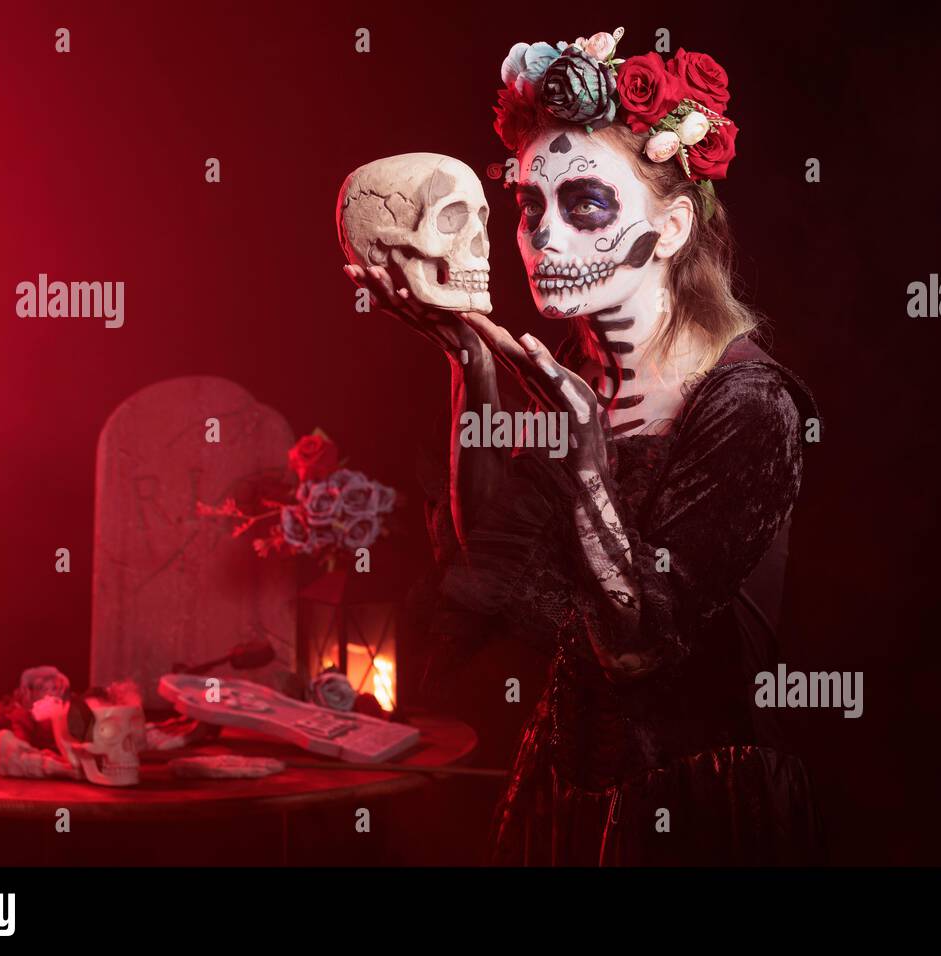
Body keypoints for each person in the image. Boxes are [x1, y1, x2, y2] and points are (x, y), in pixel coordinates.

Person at [345, 27, 823, 865]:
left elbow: (636, 646)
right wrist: (468, 362)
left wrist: (587, 457)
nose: (543, 240)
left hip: (698, 806)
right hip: (567, 798)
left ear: (671, 228)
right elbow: (488, 571)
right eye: (530, 206)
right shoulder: (575, 373)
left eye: (586, 204)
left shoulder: (753, 407)